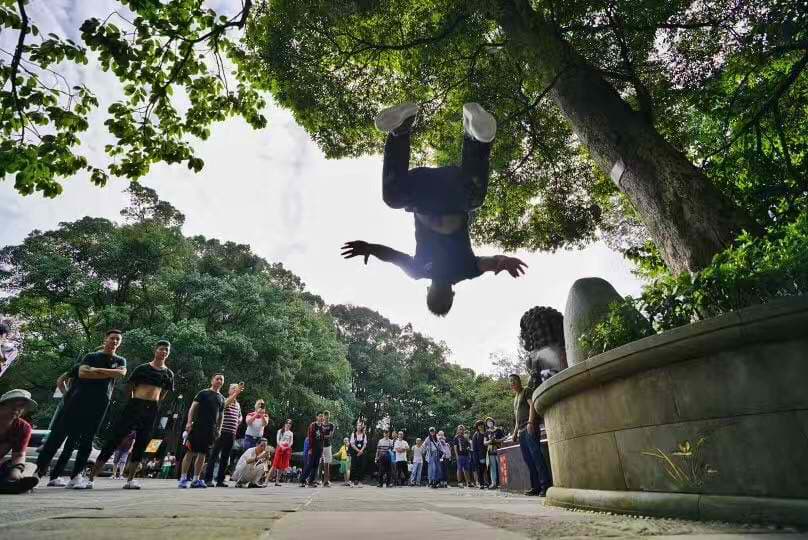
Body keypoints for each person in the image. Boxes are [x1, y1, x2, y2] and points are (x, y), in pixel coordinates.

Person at [341, 102, 527, 317]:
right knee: (474, 198)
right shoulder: (465, 271)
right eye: (443, 298)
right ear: (451, 294)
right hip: (452, 195)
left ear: (429, 291)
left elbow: (392, 256)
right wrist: (501, 262)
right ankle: (475, 137)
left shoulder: (419, 270)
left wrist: (370, 248)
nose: (439, 293)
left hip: (424, 195)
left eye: (435, 296)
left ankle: (400, 130)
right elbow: (490, 263)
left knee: (394, 198)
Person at [36, 330, 127, 489]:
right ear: (105, 339)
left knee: (86, 440)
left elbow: (121, 373)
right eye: (111, 338)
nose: (114, 341)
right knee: (58, 436)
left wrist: (96, 371)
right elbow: (83, 374)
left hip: (99, 404)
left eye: (117, 339)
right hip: (76, 402)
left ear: (120, 342)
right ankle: (37, 473)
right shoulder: (90, 357)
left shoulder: (120, 360)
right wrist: (66, 395)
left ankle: (75, 475)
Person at [88, 339, 175, 490]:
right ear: (155, 350)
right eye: (161, 349)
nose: (164, 352)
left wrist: (153, 403)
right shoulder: (142, 368)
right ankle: (90, 478)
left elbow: (164, 393)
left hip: (152, 408)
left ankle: (130, 480)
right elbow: (130, 386)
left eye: (166, 350)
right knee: (115, 439)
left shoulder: (168, 373)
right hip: (135, 405)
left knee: (142, 443)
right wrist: (134, 400)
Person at [178, 374, 228, 489]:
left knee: (202, 454)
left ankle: (196, 479)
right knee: (190, 452)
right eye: (217, 379)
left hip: (211, 429)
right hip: (197, 426)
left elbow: (221, 415)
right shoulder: (203, 393)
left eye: (222, 379)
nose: (219, 381)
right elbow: (193, 407)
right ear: (212, 380)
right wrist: (189, 422)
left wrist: (219, 429)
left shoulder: (221, 398)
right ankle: (183, 479)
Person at [511, 374, 552, 496]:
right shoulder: (516, 397)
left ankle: (546, 486)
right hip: (521, 431)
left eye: (513, 381)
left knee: (536, 457)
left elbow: (532, 405)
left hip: (530, 428)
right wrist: (514, 432)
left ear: (518, 381)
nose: (511, 383)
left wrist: (530, 422)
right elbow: (517, 418)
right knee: (528, 459)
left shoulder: (526, 391)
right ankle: (536, 486)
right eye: (510, 382)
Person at [205, 382, 244, 487]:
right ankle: (208, 479)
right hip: (221, 432)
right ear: (229, 391)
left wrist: (238, 420)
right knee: (214, 455)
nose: (235, 390)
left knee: (225, 457)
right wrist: (236, 393)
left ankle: (220, 480)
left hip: (231, 433)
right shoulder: (224, 399)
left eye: (237, 388)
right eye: (233, 388)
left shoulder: (238, 404)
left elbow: (240, 416)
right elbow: (225, 405)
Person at [0, 389, 39, 494]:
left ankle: (19, 483)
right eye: (13, 404)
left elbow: (18, 455)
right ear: (2, 405)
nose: (16, 409)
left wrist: (16, 471)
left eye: (21, 406)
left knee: (30, 466)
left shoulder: (23, 427)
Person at [300, 412, 324, 487]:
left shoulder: (322, 427)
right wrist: (310, 448)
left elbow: (322, 439)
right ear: (317, 417)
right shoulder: (313, 425)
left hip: (319, 448)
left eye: (322, 417)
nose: (321, 418)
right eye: (320, 416)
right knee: (309, 464)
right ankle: (303, 480)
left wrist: (322, 451)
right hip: (312, 447)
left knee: (316, 465)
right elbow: (310, 437)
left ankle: (311, 481)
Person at [268, 419, 293, 486]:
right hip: (280, 448)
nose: (288, 424)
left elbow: (291, 442)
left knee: (282, 466)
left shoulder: (291, 433)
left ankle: (277, 481)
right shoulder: (280, 431)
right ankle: (266, 481)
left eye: (290, 423)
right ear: (284, 423)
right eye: (287, 423)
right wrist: (281, 446)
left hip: (286, 449)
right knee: (274, 465)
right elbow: (277, 440)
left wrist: (287, 447)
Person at [484, 417, 505, 489]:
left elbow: (503, 438)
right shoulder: (487, 432)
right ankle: (494, 483)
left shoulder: (498, 430)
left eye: (490, 421)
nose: (489, 423)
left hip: (498, 449)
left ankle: (503, 482)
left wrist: (497, 440)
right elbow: (484, 442)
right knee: (492, 468)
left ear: (493, 422)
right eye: (487, 422)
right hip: (490, 450)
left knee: (501, 466)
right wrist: (490, 441)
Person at [349, 419, 367, 487]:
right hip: (355, 452)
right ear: (356, 427)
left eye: (360, 426)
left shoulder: (364, 435)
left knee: (361, 466)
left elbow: (365, 444)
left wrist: (361, 451)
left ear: (361, 427)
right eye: (358, 426)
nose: (359, 427)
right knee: (354, 466)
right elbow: (352, 444)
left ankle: (359, 481)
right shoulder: (353, 434)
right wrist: (358, 451)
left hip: (362, 452)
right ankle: (353, 481)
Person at [319, 410, 335, 487]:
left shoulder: (331, 425)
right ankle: (317, 480)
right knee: (318, 462)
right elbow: (318, 435)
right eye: (325, 417)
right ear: (323, 417)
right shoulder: (320, 425)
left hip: (328, 445)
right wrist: (322, 436)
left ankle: (326, 481)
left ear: (329, 417)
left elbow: (331, 436)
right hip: (320, 445)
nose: (326, 419)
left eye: (328, 417)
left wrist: (322, 436)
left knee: (327, 463)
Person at [472, 420, 488, 489]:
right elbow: (474, 447)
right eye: (479, 425)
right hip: (480, 454)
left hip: (488, 453)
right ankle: (481, 483)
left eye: (481, 424)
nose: (480, 426)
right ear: (477, 427)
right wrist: (476, 457)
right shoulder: (476, 435)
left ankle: (488, 482)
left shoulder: (487, 432)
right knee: (481, 469)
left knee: (487, 469)